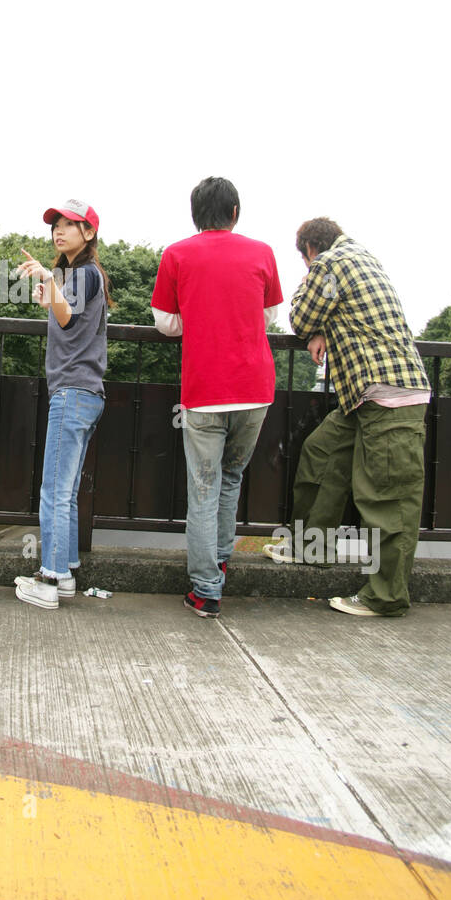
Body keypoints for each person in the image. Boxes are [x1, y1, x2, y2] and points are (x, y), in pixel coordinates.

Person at [268, 218, 430, 619]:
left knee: (387, 496)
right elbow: (324, 316)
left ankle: (385, 596)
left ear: (308, 250)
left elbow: (301, 316)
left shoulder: (331, 262)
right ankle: (310, 548)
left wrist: (314, 327)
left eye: (304, 262)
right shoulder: (362, 257)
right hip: (364, 397)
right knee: (322, 452)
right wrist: (323, 328)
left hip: (389, 395)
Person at [152, 177, 283, 618]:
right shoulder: (262, 252)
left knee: (203, 490)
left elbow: (166, 323)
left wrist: (200, 317)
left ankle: (207, 590)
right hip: (255, 390)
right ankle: (220, 563)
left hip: (205, 393)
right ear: (234, 213)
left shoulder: (176, 254)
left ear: (195, 215)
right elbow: (268, 316)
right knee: (231, 480)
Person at [13, 200, 111, 609]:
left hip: (72, 393)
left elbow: (68, 318)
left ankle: (48, 580)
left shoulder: (86, 273)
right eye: (57, 223)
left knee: (54, 489)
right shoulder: (77, 275)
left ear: (89, 233)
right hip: (85, 393)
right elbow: (68, 320)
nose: (60, 230)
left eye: (71, 224)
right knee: (66, 491)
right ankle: (66, 572)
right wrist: (48, 292)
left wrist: (47, 281)